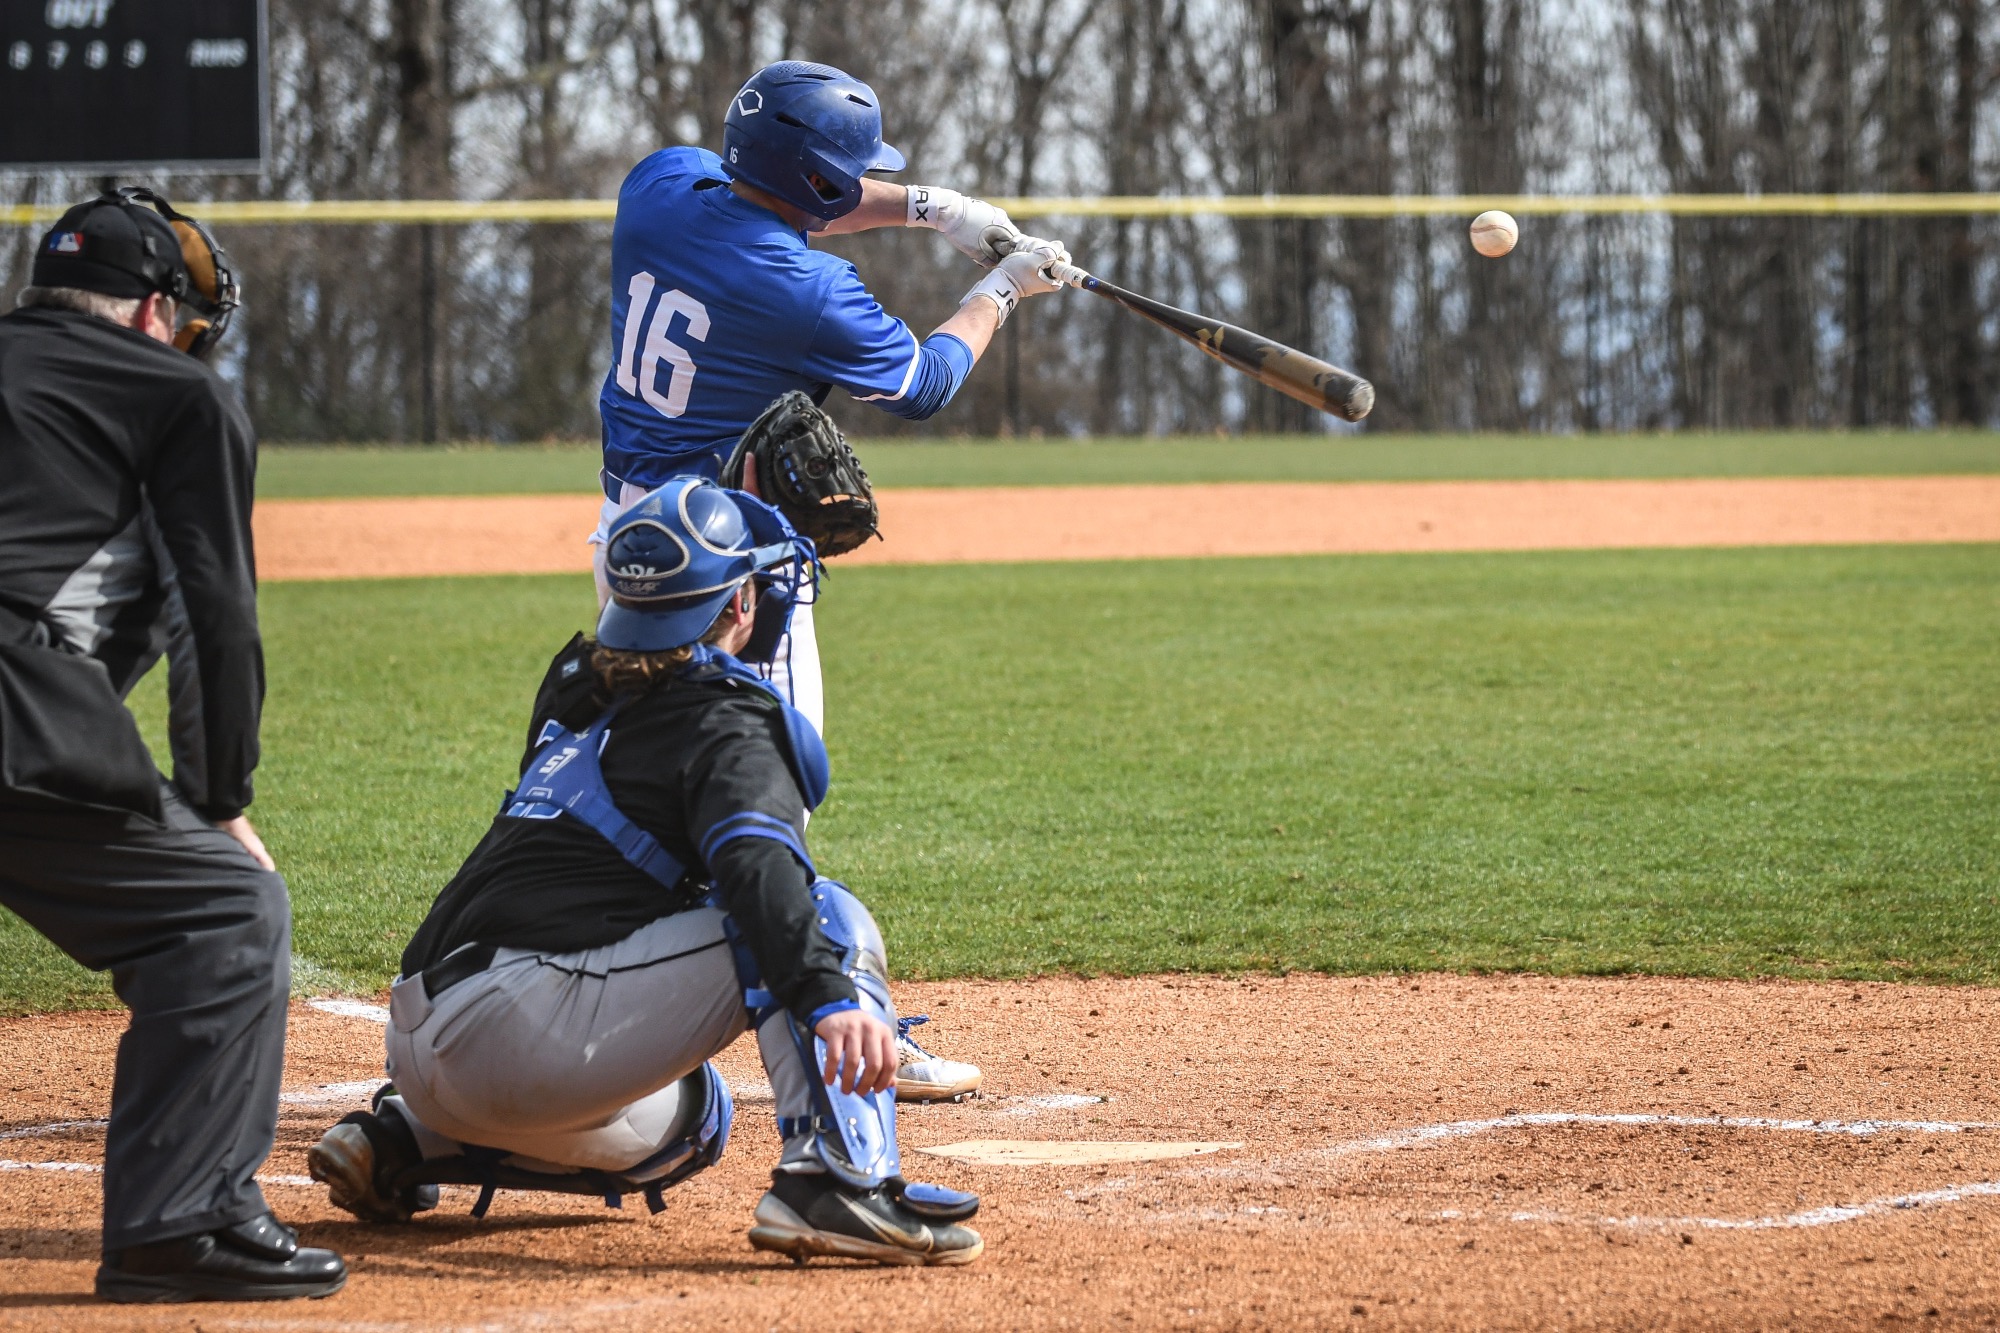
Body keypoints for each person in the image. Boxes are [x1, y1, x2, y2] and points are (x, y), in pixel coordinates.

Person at [308, 479, 983, 1266]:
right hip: (526, 1026)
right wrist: (828, 996)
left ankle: (404, 1141)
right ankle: (841, 1180)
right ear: (737, 606)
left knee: (695, 1122)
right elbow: (758, 871)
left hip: (420, 1044)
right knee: (824, 914)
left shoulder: (574, 685)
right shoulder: (727, 720)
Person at [594, 59, 1069, 1101]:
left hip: (629, 539)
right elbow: (924, 382)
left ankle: (603, 1001)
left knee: (643, 776)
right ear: (816, 185)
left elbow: (798, 193)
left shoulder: (659, 184)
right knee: (772, 789)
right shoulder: (804, 287)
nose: (860, 190)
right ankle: (838, 1018)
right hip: (736, 567)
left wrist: (934, 210)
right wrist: (997, 289)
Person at [0, 188, 346, 1302]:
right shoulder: (175, 391)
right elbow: (213, 612)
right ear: (155, 313)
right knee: (226, 912)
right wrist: (218, 793)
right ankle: (180, 1221)